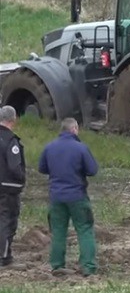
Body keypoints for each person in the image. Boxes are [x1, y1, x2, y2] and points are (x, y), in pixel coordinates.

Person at [38, 117, 99, 277]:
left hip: (56, 196)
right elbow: (92, 170)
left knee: (58, 232)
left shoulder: (49, 147)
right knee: (84, 229)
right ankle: (88, 266)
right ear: (74, 129)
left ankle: (57, 265)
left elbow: (42, 168)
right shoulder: (81, 148)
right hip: (77, 195)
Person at [0, 105, 26, 267]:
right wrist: (22, 178)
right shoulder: (10, 140)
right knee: (7, 220)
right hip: (8, 187)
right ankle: (5, 257)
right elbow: (14, 166)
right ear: (13, 119)